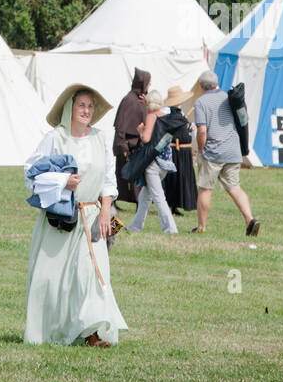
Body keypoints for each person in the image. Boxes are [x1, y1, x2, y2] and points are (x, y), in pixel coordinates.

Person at [24, 84, 127, 348]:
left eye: (90, 106)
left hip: (93, 215)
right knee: (51, 278)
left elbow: (108, 180)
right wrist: (63, 181)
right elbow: (31, 174)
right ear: (70, 107)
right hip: (61, 217)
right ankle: (52, 329)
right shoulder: (55, 138)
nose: (86, 111)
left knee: (91, 273)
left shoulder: (101, 138)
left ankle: (91, 333)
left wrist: (106, 210)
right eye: (82, 105)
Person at [193, 70, 260, 236]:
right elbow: (245, 118)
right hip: (233, 150)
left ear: (201, 85)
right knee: (234, 188)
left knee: (205, 189)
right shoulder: (229, 97)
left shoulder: (201, 102)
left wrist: (201, 149)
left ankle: (201, 227)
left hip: (213, 152)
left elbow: (202, 131)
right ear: (217, 83)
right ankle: (249, 219)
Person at [125, 90, 183, 235]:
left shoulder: (152, 116)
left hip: (153, 163)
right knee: (145, 197)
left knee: (158, 197)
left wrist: (140, 130)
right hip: (166, 162)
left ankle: (170, 229)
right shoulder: (166, 117)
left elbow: (146, 139)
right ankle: (134, 226)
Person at [112, 69, 150, 206]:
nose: (149, 86)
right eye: (148, 83)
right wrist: (122, 145)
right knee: (122, 176)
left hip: (137, 144)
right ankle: (113, 201)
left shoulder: (142, 100)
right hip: (128, 145)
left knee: (137, 176)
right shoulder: (129, 100)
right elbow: (121, 125)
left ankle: (139, 202)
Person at [161, 84, 198, 217]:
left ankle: (176, 205)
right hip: (172, 151)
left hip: (183, 152)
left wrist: (189, 128)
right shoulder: (166, 114)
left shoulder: (181, 114)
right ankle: (168, 206)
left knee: (180, 178)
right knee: (171, 179)